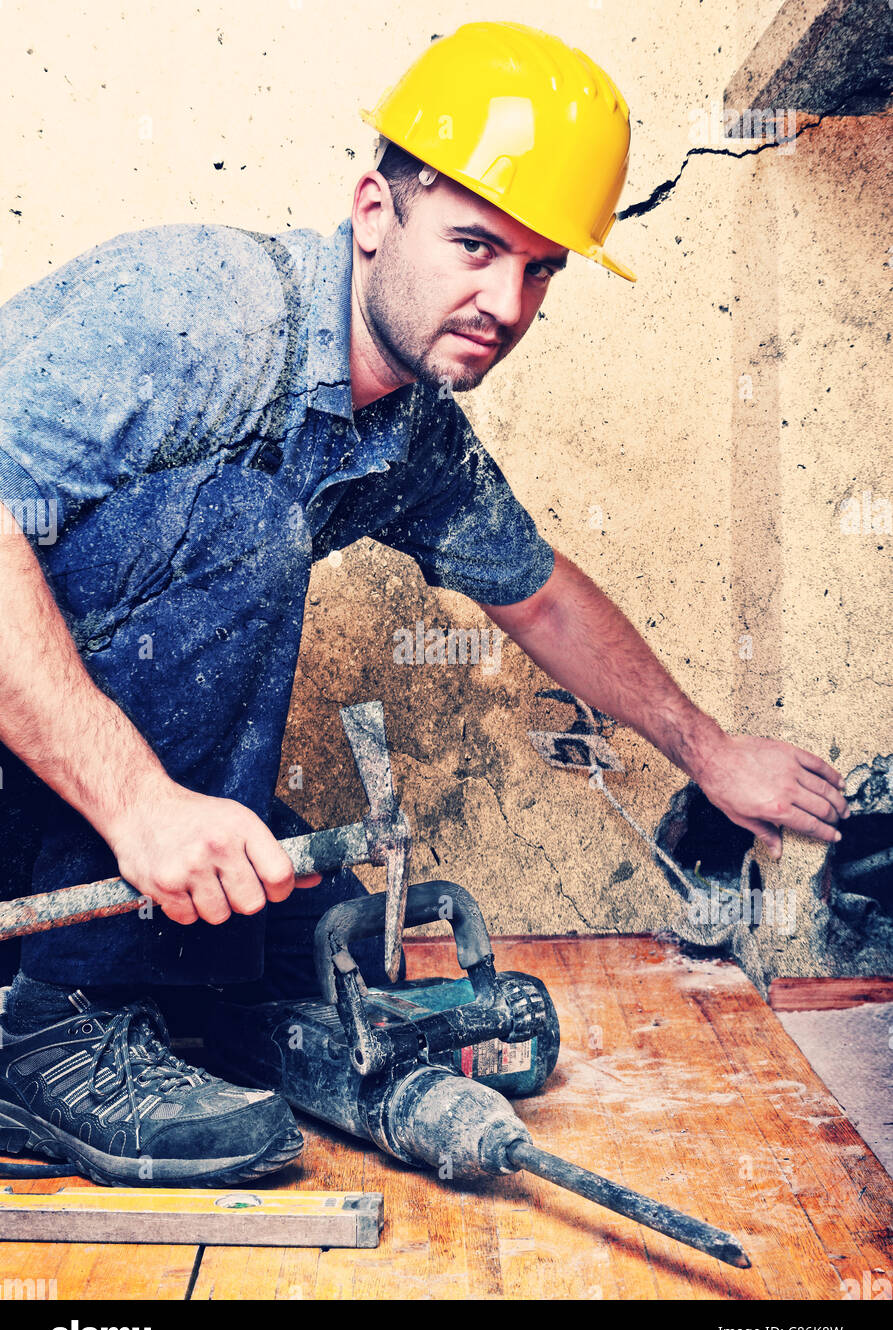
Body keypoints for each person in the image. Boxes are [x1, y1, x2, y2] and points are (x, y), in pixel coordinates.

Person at [0, 22, 848, 1186]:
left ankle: (162, 1004)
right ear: (369, 214)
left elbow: (537, 592)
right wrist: (143, 805)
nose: (505, 300)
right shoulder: (197, 311)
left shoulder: (404, 433)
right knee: (250, 528)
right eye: (473, 245)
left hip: (52, 795)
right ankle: (43, 1022)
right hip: (37, 785)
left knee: (336, 947)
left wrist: (707, 751)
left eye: (541, 267)